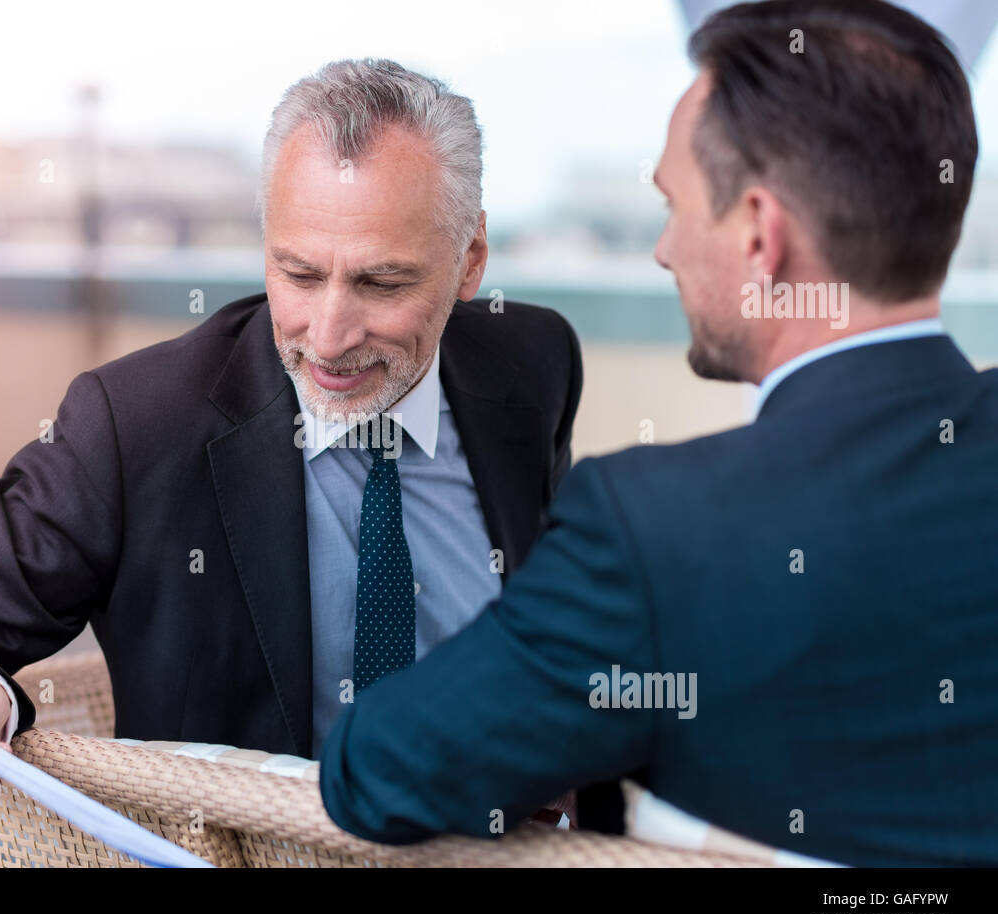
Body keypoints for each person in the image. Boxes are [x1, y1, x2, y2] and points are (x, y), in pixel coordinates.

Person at [319, 0, 998, 866]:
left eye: (677, 206)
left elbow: (375, 772)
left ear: (760, 233)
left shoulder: (654, 531)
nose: (665, 250)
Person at [0, 58, 583, 801]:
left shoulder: (534, 362)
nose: (328, 338)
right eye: (299, 275)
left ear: (470, 262)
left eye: (382, 282)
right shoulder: (135, 422)